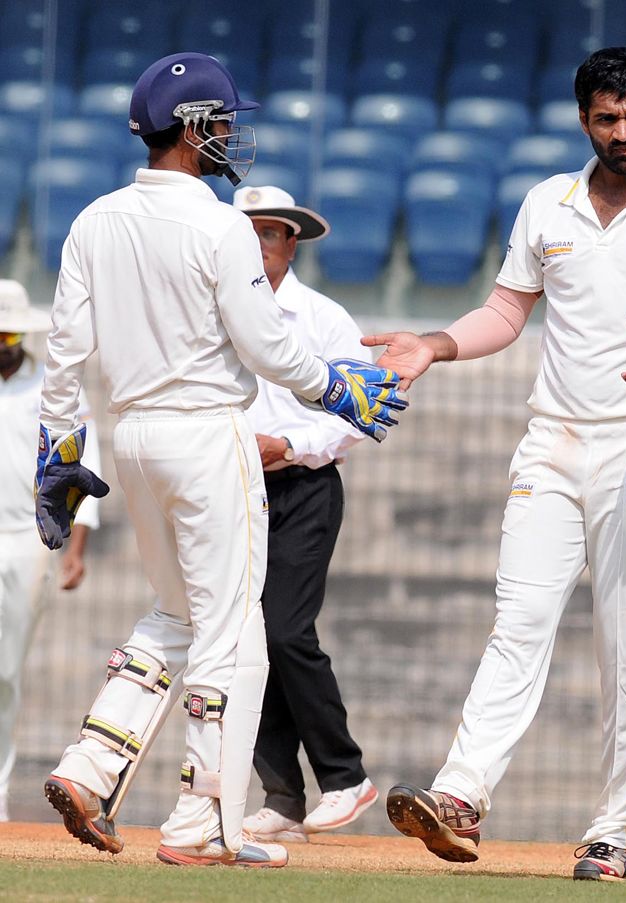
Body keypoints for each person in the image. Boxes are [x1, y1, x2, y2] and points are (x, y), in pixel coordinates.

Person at [366, 46, 626, 881]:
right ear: (583, 120)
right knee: (518, 621)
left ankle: (614, 831)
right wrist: (434, 344)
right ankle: (460, 796)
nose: (623, 132)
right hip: (554, 442)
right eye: (606, 118)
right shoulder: (548, 203)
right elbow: (505, 310)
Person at [36, 52, 405, 868]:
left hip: (130, 438)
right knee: (237, 630)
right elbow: (267, 342)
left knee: (175, 613)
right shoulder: (218, 226)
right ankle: (204, 821)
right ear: (195, 126)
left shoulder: (94, 220)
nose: (233, 135)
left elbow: (63, 356)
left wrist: (58, 458)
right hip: (207, 432)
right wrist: (338, 391)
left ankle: (90, 769)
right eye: (225, 121)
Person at [231, 186, 378, 843]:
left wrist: (289, 444)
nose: (259, 245)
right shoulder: (218, 314)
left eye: (271, 232)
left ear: (292, 243)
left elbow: (362, 413)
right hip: (236, 490)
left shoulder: (325, 317)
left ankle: (344, 775)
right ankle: (282, 793)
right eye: (247, 232)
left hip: (304, 484)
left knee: (286, 629)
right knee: (246, 639)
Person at [0, 280, 102, 823]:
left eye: (7, 332)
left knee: (5, 672)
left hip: (27, 540)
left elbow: (84, 470)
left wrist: (75, 551)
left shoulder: (53, 391)